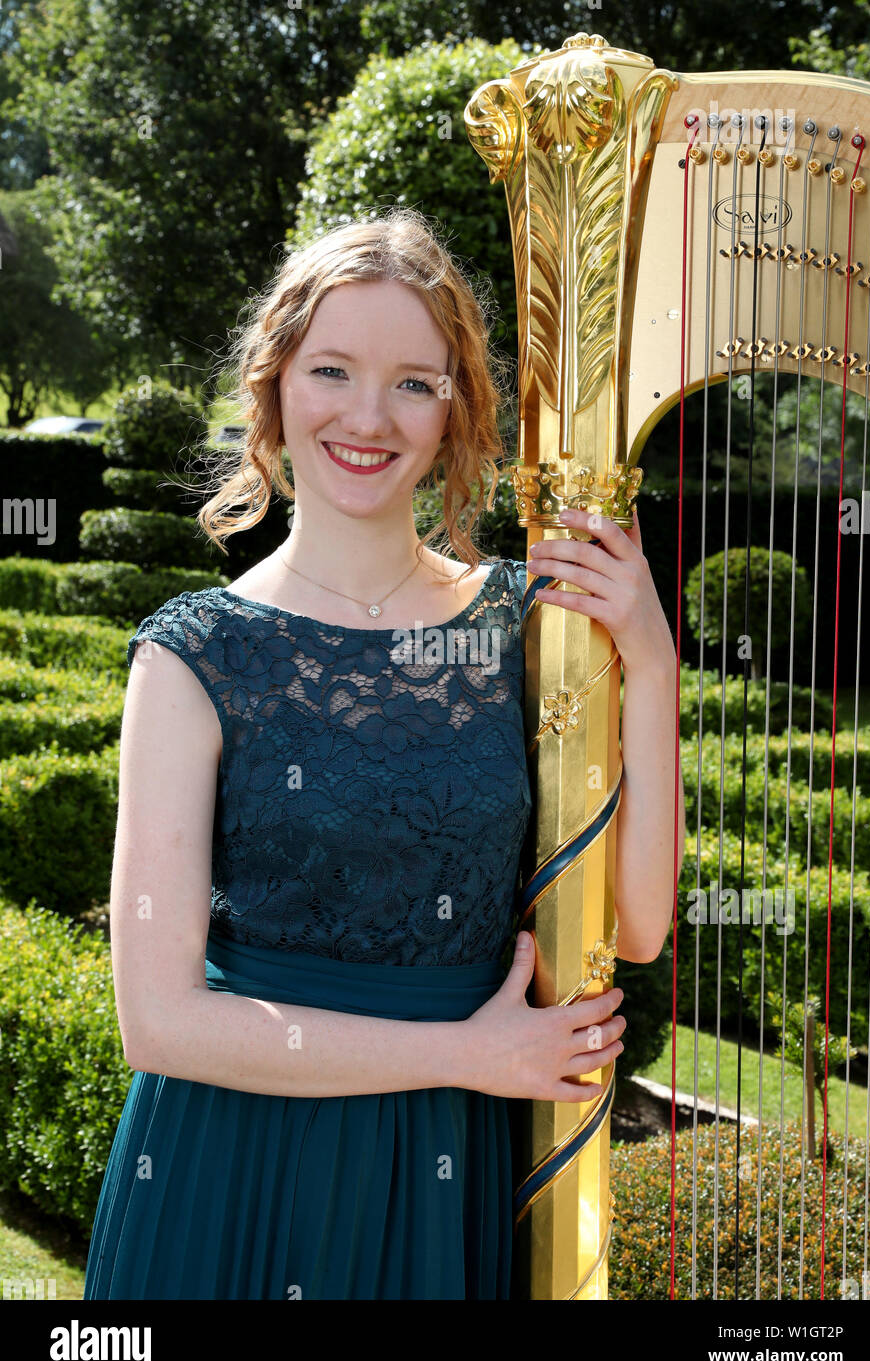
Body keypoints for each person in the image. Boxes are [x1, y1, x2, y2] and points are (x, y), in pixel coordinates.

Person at [82, 207, 678, 1301]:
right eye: (332, 370)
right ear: (272, 388)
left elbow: (632, 924)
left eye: (414, 381)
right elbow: (157, 1023)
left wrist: (651, 663)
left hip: (449, 1178)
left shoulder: (527, 624)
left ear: (456, 411)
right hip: (238, 1172)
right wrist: (461, 1056)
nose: (369, 415)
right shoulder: (191, 655)